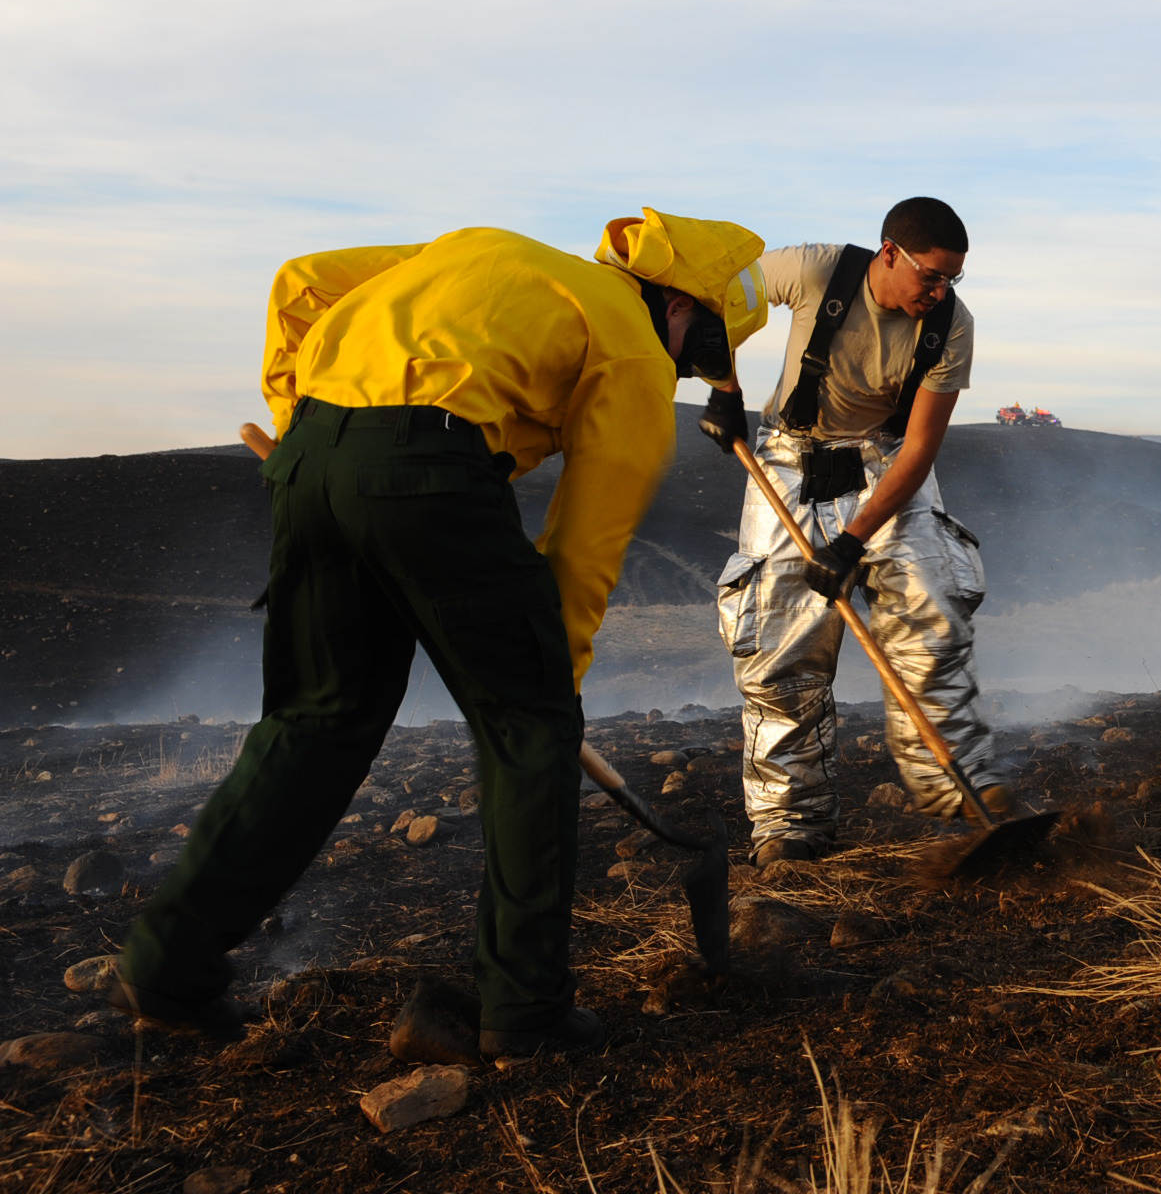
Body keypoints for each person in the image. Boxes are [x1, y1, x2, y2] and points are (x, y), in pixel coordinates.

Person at [114, 210, 768, 1055]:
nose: (689, 367)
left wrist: (297, 417)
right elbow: (584, 544)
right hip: (438, 468)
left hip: (312, 459)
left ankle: (169, 965)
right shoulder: (633, 348)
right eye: (705, 345)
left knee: (317, 720)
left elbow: (301, 281)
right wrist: (548, 685)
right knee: (527, 728)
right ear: (680, 302)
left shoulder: (482, 250)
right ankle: (526, 1006)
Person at [706, 197, 1008, 865]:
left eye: (952, 280)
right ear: (889, 253)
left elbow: (920, 449)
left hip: (887, 463)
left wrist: (851, 541)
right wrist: (723, 389)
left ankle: (964, 795)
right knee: (779, 651)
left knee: (933, 613)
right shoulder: (816, 271)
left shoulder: (952, 325)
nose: (940, 292)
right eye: (930, 275)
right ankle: (790, 827)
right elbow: (718, 301)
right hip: (789, 457)